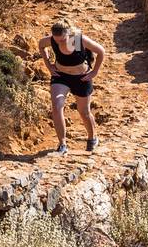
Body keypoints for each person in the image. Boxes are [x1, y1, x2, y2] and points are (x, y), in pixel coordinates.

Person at [37, 20, 104, 154]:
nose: (60, 42)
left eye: (63, 40)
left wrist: (94, 71)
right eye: (57, 40)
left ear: (68, 34)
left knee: (84, 112)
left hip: (81, 78)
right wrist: (48, 65)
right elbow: (41, 45)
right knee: (56, 106)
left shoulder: (78, 40)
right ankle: (62, 144)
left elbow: (101, 51)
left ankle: (92, 138)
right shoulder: (52, 40)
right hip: (61, 76)